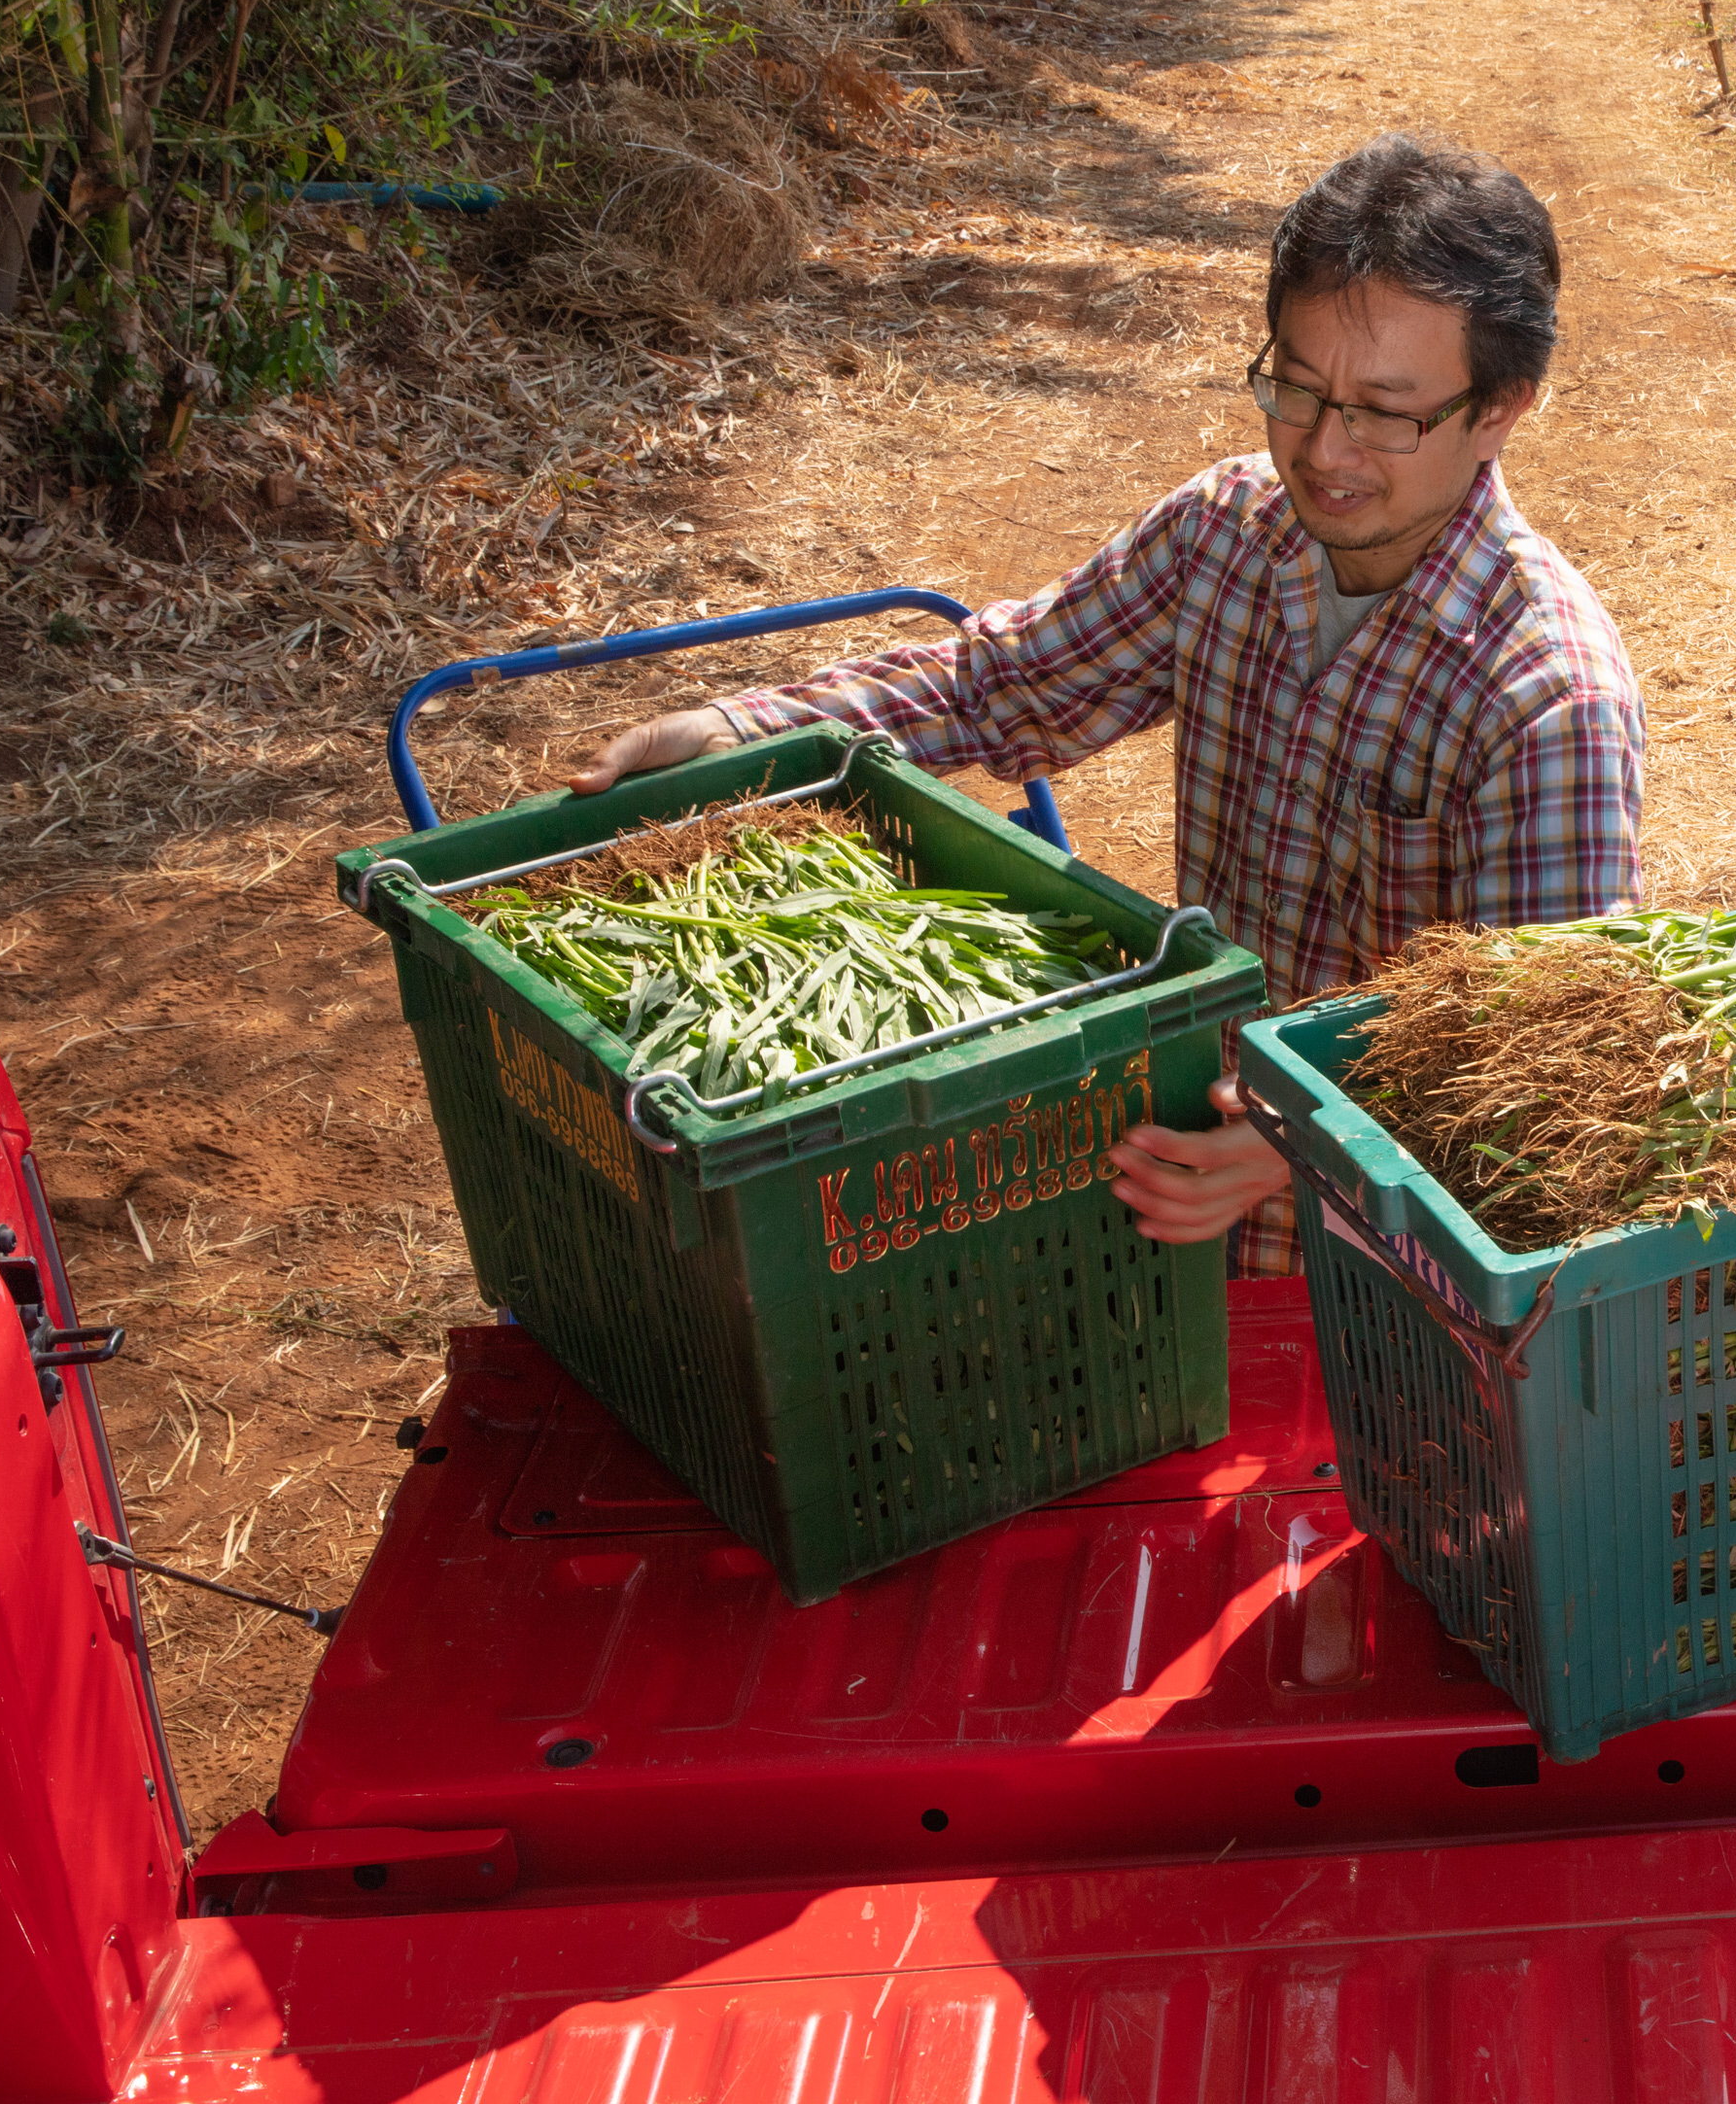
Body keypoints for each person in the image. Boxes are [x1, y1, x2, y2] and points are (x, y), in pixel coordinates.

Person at [569, 134, 1645, 1271]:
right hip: (1178, 1177)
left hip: (1377, 1273)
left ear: (1501, 409)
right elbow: (999, 684)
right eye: (1297, 387)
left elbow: (1541, 1059)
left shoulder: (1543, 698)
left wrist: (1312, 1143)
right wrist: (745, 729)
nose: (1325, 451)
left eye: (1385, 411)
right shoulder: (1229, 536)